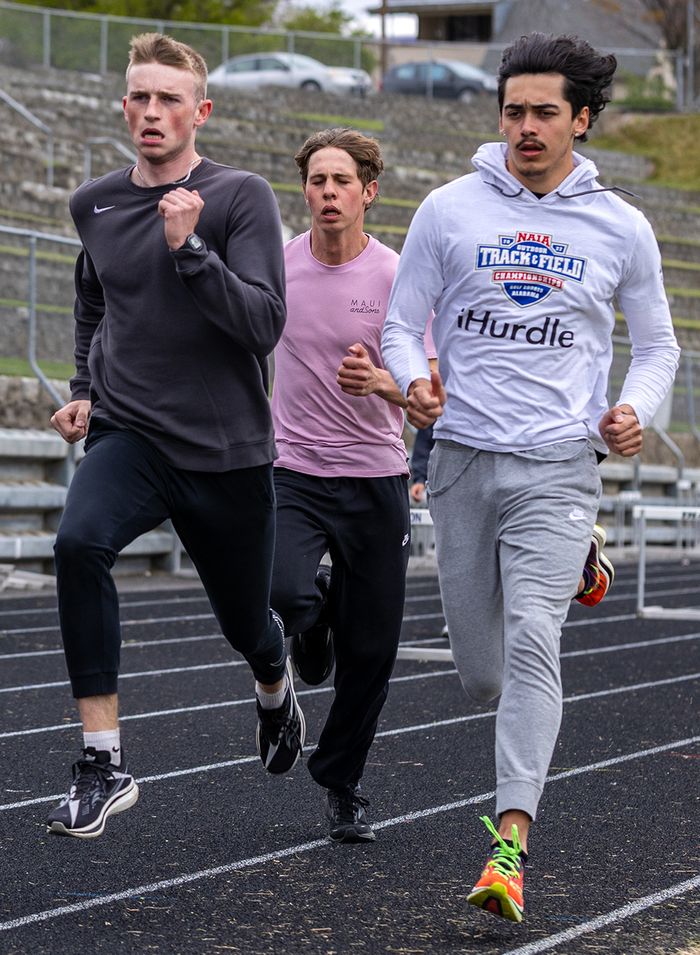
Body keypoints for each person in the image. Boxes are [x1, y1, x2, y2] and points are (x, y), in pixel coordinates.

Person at [382, 32, 679, 921]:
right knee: (480, 675)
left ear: (581, 119)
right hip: (464, 458)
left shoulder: (620, 225)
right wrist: (413, 381)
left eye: (546, 111)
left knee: (532, 640)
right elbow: (403, 326)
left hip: (559, 463)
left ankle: (508, 845)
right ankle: (581, 563)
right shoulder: (447, 210)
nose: (527, 127)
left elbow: (659, 345)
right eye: (514, 111)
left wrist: (637, 409)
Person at [46, 33, 305, 839]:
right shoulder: (93, 202)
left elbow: (264, 324)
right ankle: (102, 761)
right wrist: (85, 389)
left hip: (225, 451)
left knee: (246, 624)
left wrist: (189, 247)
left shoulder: (239, 196)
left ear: (201, 111)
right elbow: (95, 299)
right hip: (130, 432)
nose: (152, 112)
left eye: (168, 98)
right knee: (77, 543)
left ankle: (273, 679)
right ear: (124, 105)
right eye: (139, 97)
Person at [270, 128, 413, 843]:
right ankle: (312, 617)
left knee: (373, 652)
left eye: (341, 181)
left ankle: (343, 782)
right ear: (305, 191)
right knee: (282, 589)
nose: (328, 192)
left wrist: (380, 380)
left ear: (368, 193)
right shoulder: (276, 266)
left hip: (377, 478)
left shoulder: (395, 275)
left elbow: (429, 393)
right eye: (317, 180)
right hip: (293, 468)